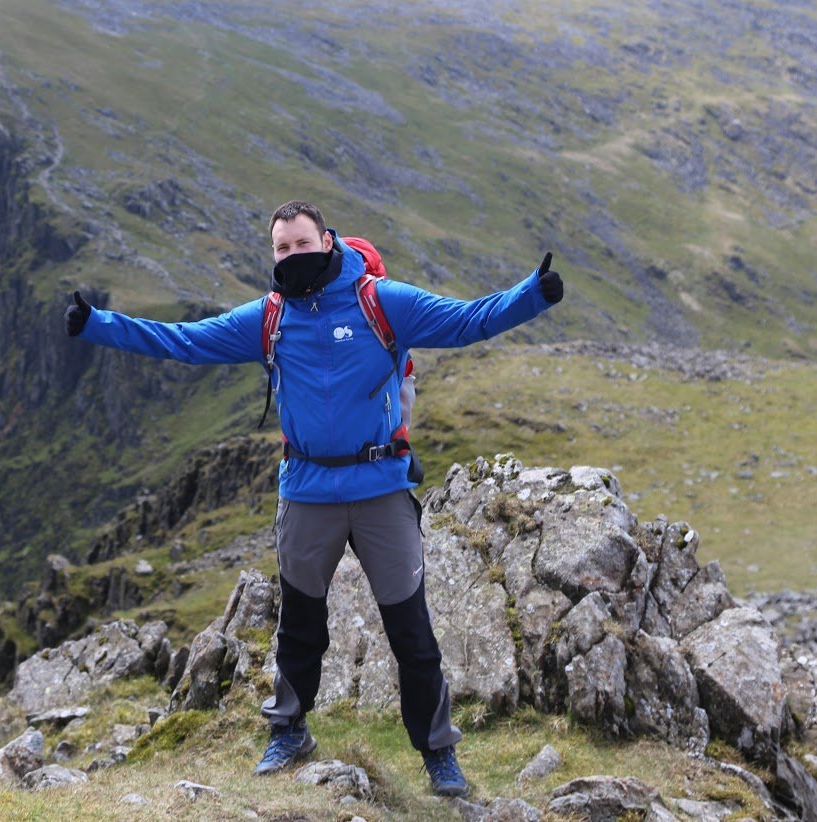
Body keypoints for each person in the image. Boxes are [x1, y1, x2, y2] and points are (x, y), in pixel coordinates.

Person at [65, 200, 563, 797]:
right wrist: (98, 324)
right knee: (300, 627)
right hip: (305, 494)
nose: (292, 256)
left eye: (302, 244)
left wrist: (533, 294)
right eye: (281, 248)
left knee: (412, 632)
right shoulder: (270, 318)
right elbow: (186, 342)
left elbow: (467, 321)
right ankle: (290, 732)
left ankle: (437, 754)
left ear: (327, 241)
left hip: (381, 488)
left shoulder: (383, 302)